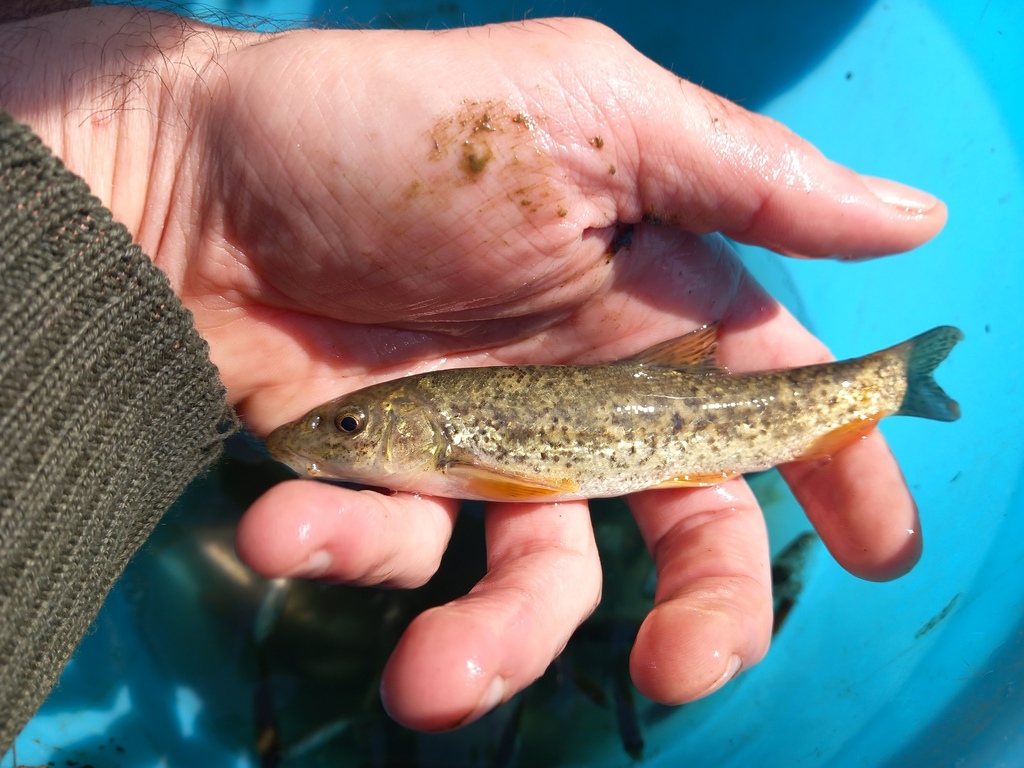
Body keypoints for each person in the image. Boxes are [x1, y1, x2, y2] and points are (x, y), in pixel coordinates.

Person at [0, 2, 946, 752]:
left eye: (353, 431)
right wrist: (170, 165)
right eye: (349, 429)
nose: (332, 439)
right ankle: (890, 382)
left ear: (417, 431)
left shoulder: (445, 438)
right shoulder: (416, 428)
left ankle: (892, 381)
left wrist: (164, 167)